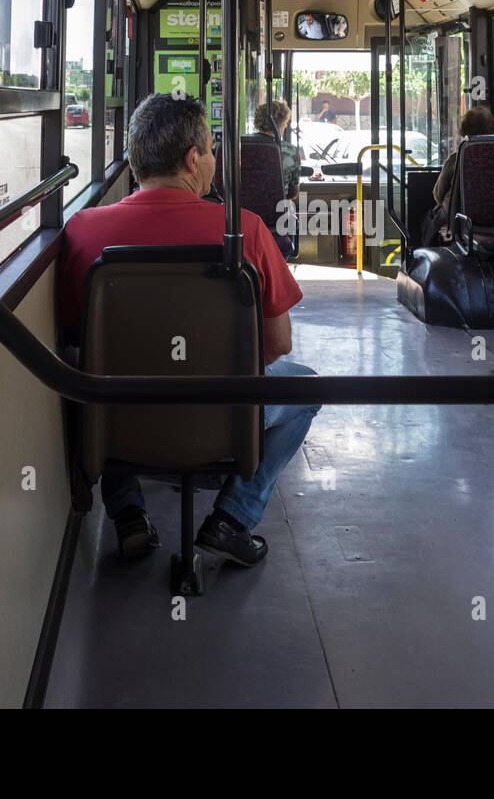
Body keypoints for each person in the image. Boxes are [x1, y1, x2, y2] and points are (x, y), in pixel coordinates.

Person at [59, 93, 320, 567]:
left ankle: (129, 513)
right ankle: (231, 519)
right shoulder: (246, 231)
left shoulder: (81, 231)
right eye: (212, 151)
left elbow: (75, 338)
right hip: (223, 423)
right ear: (192, 158)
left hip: (116, 424)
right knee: (306, 389)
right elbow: (279, 344)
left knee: (89, 369)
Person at [422, 106, 494, 246]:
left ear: (465, 131)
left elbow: (438, 195)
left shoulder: (456, 159)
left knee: (429, 219)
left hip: (458, 223)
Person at [254, 98, 300, 199]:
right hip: (276, 210)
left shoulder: (238, 146)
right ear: (282, 125)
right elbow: (292, 193)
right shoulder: (290, 151)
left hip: (241, 211)